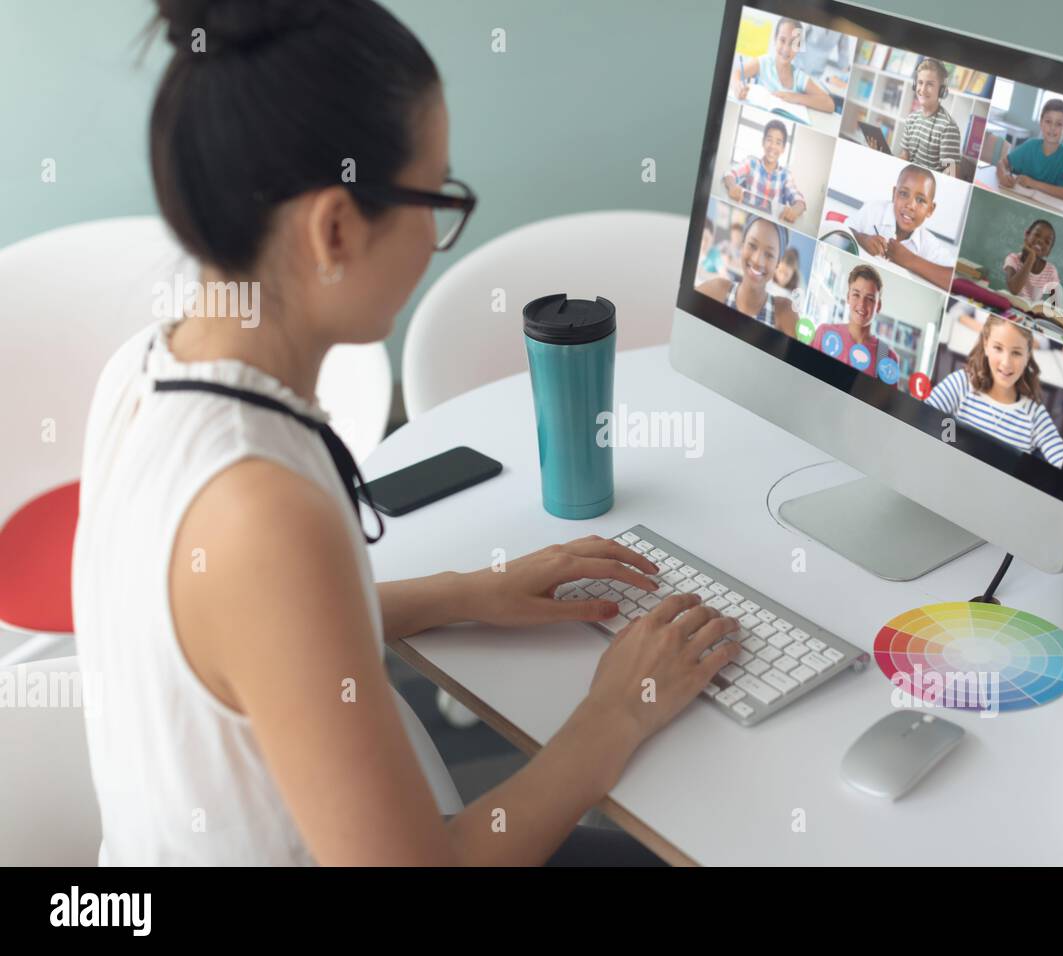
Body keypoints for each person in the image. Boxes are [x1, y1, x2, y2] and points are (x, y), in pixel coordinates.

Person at [71, 0, 741, 867]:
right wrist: (618, 710)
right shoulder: (260, 511)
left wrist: (467, 591)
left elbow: (254, 637)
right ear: (337, 226)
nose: (436, 238)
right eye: (436, 197)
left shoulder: (141, 372)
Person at [925, 315, 1063, 465]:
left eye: (1016, 353)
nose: (1006, 363)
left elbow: (1062, 460)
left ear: (1028, 355)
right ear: (986, 345)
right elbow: (923, 418)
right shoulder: (960, 385)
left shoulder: (1035, 415)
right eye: (998, 348)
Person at [849, 164, 955, 290]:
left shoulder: (928, 244)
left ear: (930, 209)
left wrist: (910, 260)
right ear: (894, 194)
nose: (910, 205)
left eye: (920, 200)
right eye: (904, 194)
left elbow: (956, 282)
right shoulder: (873, 210)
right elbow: (839, 230)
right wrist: (862, 239)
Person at [696, 214, 797, 336]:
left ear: (777, 264)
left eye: (769, 254)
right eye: (752, 245)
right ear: (742, 246)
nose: (757, 260)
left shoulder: (784, 313)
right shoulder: (716, 290)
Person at [730, 18, 835, 114]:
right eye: (782, 40)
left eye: (793, 44)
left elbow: (830, 104)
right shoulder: (763, 62)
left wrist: (794, 97)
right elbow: (737, 72)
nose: (786, 49)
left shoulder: (799, 77)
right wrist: (736, 86)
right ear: (775, 39)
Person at [809, 264, 898, 377]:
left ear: (878, 306)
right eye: (856, 295)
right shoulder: (824, 334)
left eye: (870, 299)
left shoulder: (887, 357)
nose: (861, 304)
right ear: (848, 297)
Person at [996, 98, 1063, 204]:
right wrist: (1003, 175)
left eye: (1059, 124)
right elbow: (1003, 163)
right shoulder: (1030, 145)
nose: (1052, 128)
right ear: (1041, 123)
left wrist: (1033, 183)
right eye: (1048, 121)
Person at [723, 118, 807, 223]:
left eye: (778, 143)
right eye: (769, 140)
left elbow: (799, 201)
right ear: (763, 142)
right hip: (746, 220)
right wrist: (732, 186)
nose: (772, 146)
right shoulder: (751, 163)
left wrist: (794, 211)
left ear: (783, 149)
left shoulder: (785, 176)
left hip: (769, 227)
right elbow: (729, 174)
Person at [897, 58, 961, 178]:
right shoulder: (911, 119)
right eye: (920, 82)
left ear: (942, 91)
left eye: (930, 84)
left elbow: (952, 174)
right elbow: (905, 155)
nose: (923, 89)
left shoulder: (947, 127)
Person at [1003, 219, 1060, 301]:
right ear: (1026, 235)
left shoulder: (1051, 271)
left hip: (1032, 312)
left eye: (1047, 242)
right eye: (1037, 235)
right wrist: (1031, 258)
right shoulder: (1013, 259)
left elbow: (1055, 302)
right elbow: (1014, 289)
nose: (1040, 241)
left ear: (1049, 252)